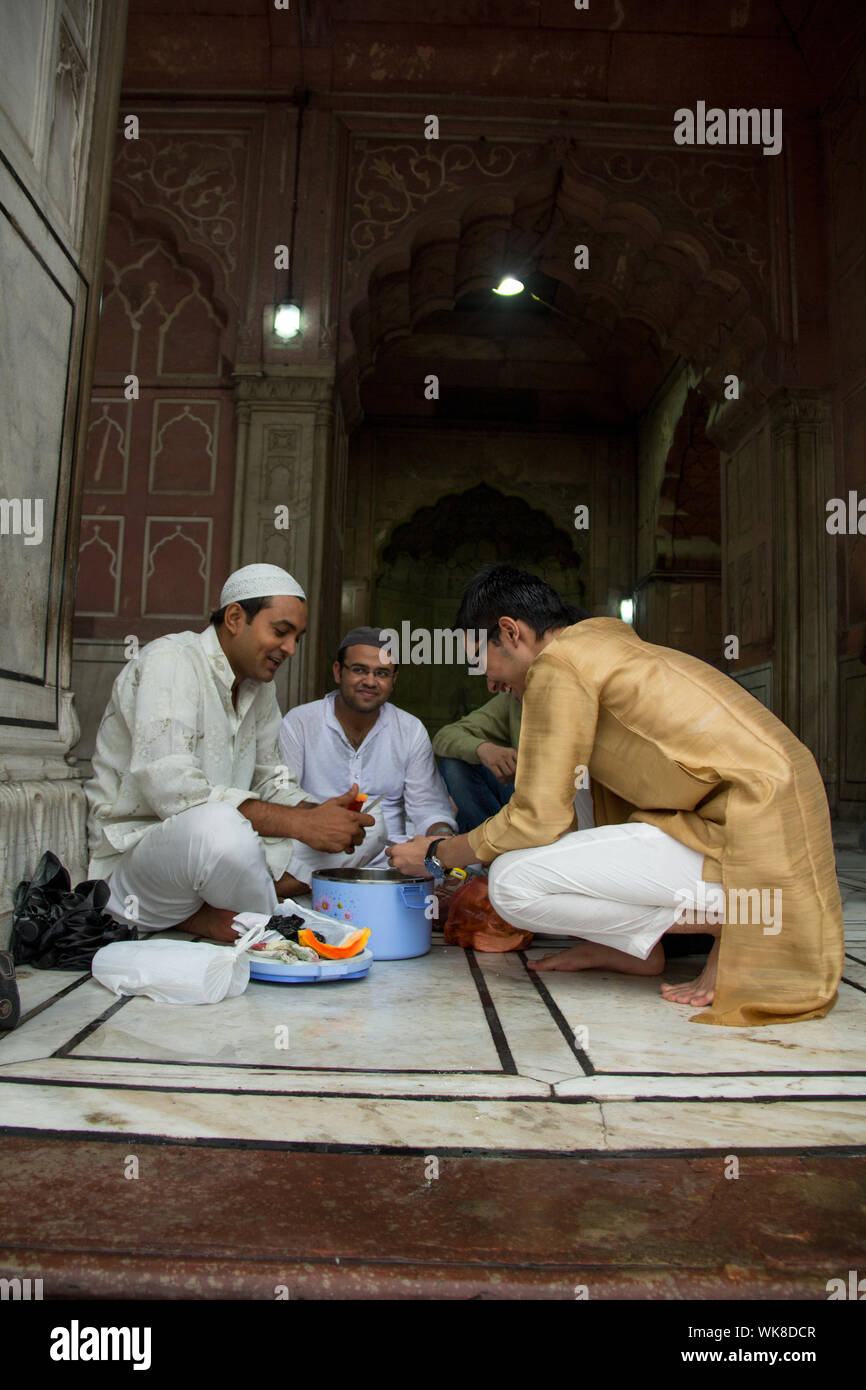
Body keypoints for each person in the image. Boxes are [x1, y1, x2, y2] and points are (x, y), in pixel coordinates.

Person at [387, 563, 844, 1027]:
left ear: (510, 632)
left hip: (752, 825)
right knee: (577, 782)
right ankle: (631, 947)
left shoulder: (557, 666)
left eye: (482, 661)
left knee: (512, 883)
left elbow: (535, 819)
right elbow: (558, 805)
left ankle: (736, 923)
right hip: (763, 807)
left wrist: (438, 855)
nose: (489, 682)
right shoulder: (598, 644)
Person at [84, 565, 384, 942]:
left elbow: (272, 781)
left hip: (233, 848)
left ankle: (222, 913)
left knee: (370, 822)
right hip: (143, 865)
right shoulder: (171, 661)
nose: (290, 649)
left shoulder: (260, 689)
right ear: (236, 617)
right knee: (220, 830)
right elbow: (177, 796)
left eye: (297, 638)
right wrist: (299, 825)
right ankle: (232, 916)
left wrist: (320, 816)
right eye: (281, 632)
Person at [279, 626, 456, 866]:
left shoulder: (409, 729)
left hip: (391, 856)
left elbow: (428, 807)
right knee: (270, 853)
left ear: (393, 681)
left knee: (462, 863)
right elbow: (283, 796)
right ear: (338, 672)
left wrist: (443, 839)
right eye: (360, 670)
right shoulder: (299, 723)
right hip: (317, 846)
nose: (370, 682)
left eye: (382, 673)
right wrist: (328, 822)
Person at [432, 692, 521, 833]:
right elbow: (444, 736)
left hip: (551, 810)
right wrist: (483, 749)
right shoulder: (513, 699)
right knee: (455, 765)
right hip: (517, 799)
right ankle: (488, 839)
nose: (492, 687)